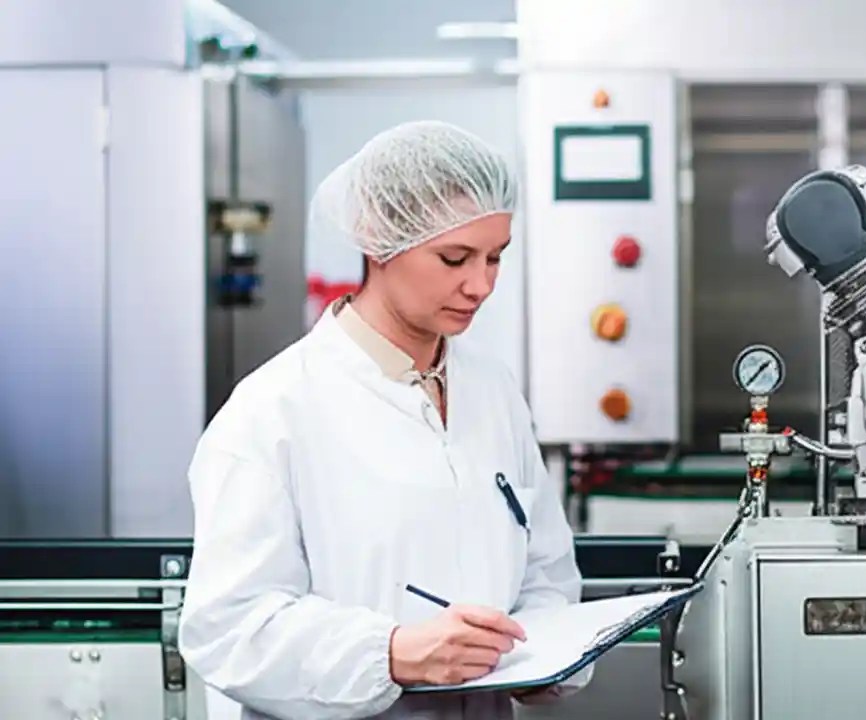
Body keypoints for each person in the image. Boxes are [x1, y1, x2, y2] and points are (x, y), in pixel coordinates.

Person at [178, 120, 590, 719]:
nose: (480, 285)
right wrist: (392, 653)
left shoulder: (492, 391)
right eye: (454, 258)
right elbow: (230, 627)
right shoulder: (274, 410)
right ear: (377, 238)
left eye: (495, 257)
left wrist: (547, 657)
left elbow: (544, 572)